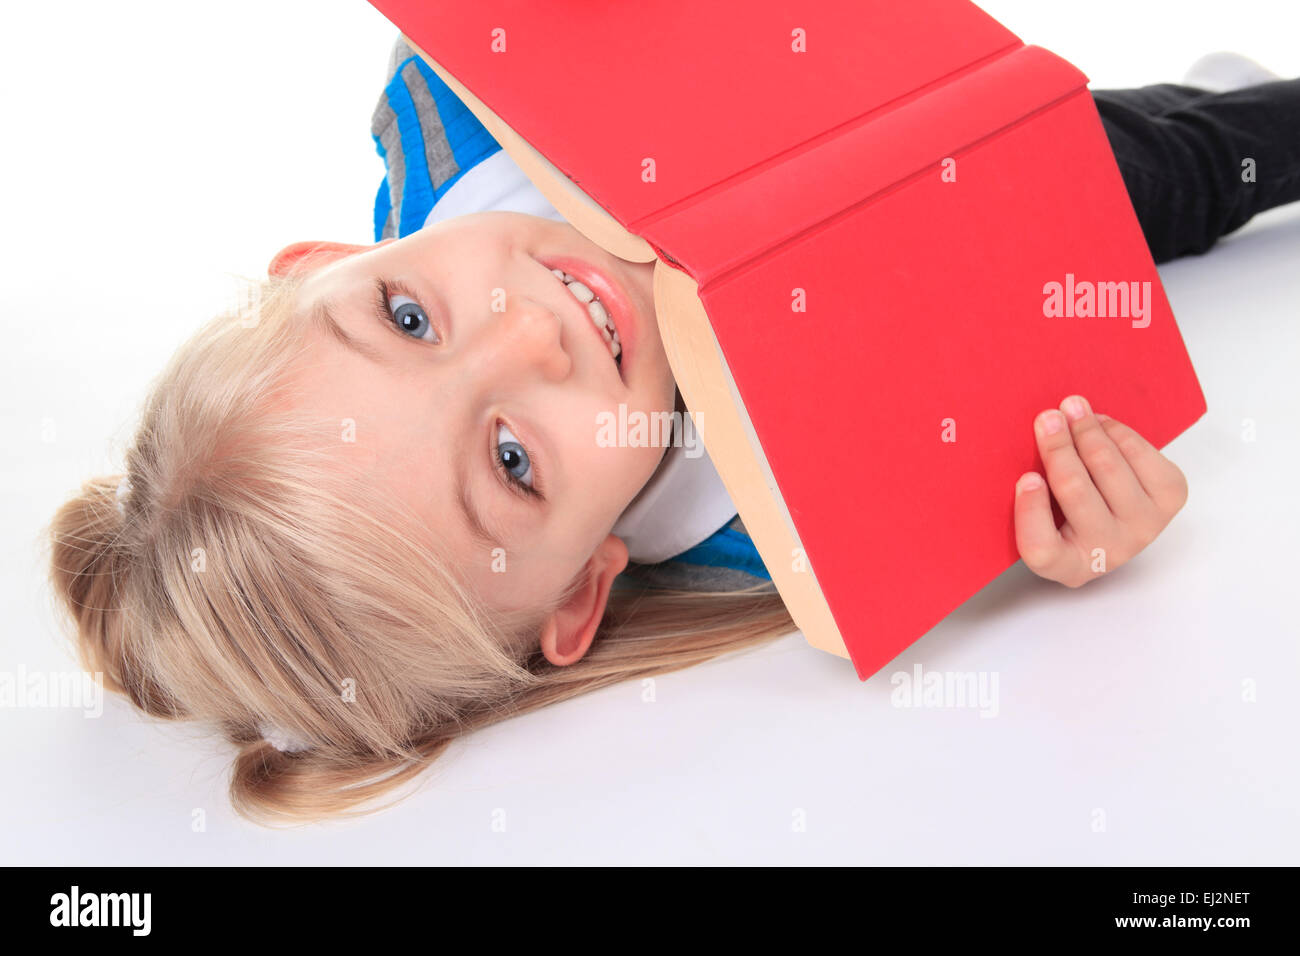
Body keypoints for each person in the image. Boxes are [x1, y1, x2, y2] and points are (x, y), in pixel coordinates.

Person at [46, 40, 1296, 823]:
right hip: (969, 225)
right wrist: (1068, 516)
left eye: (410, 313)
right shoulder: (780, 532)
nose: (531, 334)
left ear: (332, 257)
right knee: (1165, 165)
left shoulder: (450, 115)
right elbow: (1018, 430)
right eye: (513, 460)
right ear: (581, 594)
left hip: (850, 68)